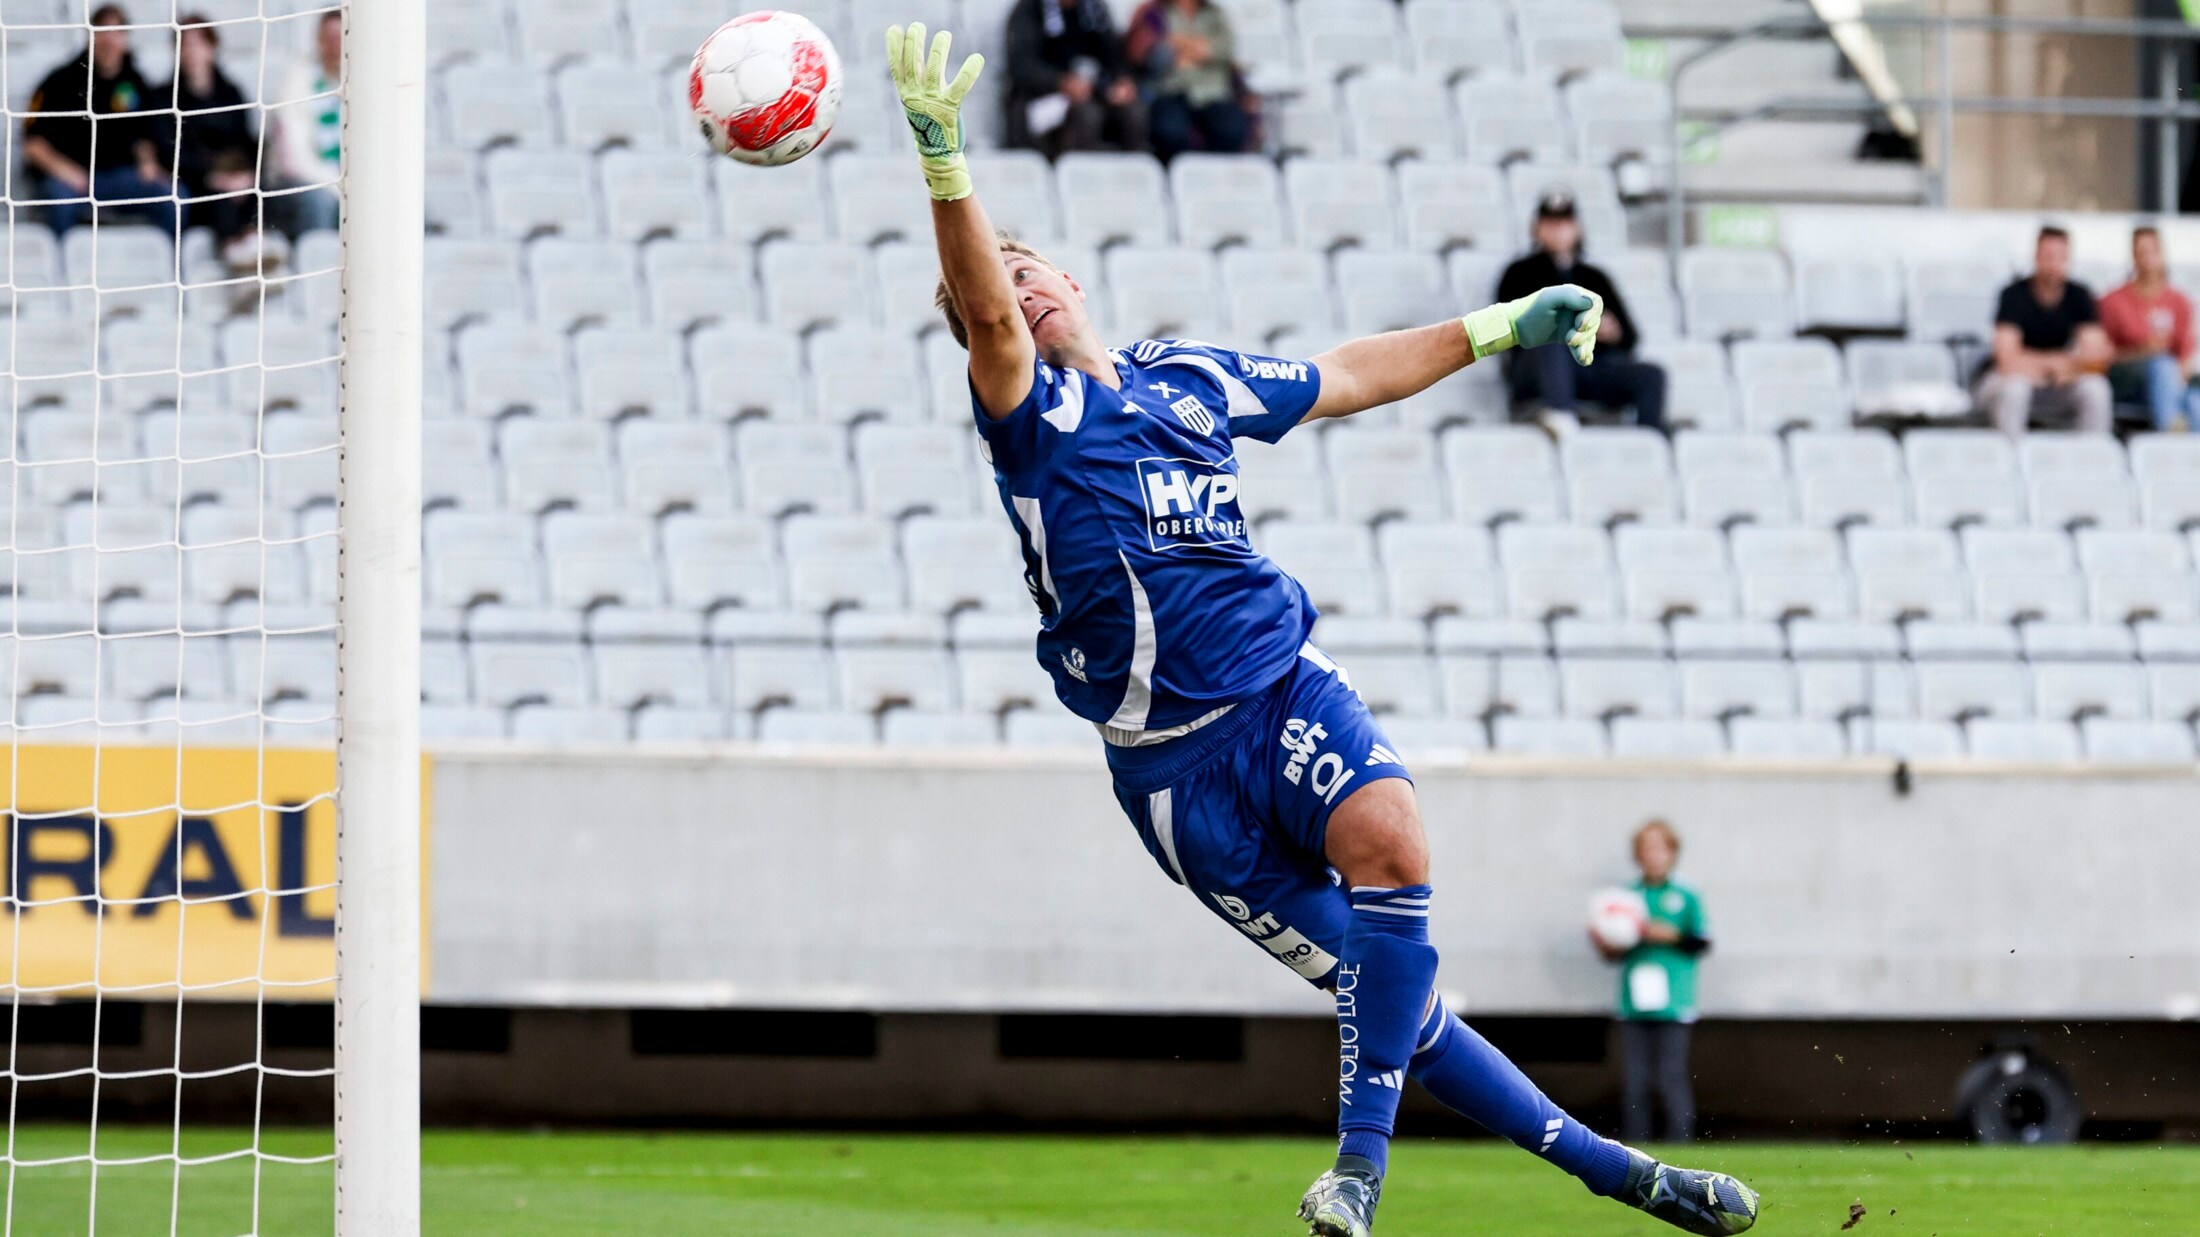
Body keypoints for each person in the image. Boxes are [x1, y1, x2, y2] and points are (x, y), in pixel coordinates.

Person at [884, 22, 1758, 1237]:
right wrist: (947, 169)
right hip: (1177, 773)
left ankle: (1356, 1172)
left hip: (1281, 684)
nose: (1015, 291)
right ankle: (1621, 1173)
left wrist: (1503, 323)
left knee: (1393, 846)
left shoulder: (1185, 379)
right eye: (994, 287)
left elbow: (1346, 376)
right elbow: (984, 319)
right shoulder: (1030, 416)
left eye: (1030, 268)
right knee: (1397, 1003)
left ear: (1073, 281)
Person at [1496, 192, 1666, 435]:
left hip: (1588, 368)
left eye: (1564, 223)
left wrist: (1614, 332)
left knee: (1651, 376)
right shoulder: (1519, 274)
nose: (1558, 230)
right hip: (1538, 370)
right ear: (1537, 228)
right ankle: (1561, 417)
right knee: (1553, 343)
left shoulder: (1595, 277)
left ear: (1577, 228)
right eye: (1551, 223)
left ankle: (1649, 443)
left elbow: (1630, 337)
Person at [1592, 820, 1711, 1145]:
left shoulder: (1686, 895)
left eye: (1659, 847)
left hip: (1674, 999)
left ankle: (1681, 1142)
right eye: (1645, 848)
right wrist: (1607, 941)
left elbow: (1701, 941)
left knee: (1671, 1074)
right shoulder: (1626, 898)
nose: (1652, 854)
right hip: (1635, 1001)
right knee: (1635, 1078)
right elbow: (1614, 953)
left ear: (1672, 852)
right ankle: (1636, 1144)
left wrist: (1668, 935)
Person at [20, 4, 177, 237]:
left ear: (126, 38)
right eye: (102, 31)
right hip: (71, 180)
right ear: (89, 35)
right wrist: (65, 171)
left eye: (116, 32)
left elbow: (145, 135)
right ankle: (64, 260)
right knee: (60, 199)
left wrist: (147, 162)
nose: (109, 40)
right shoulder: (59, 82)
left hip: (119, 178)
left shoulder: (137, 83)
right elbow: (32, 144)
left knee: (173, 196)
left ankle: (169, 259)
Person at [1976, 226, 2112, 437]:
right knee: (2015, 389)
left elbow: (2095, 358)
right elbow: (2007, 360)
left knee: (2096, 389)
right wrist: (2060, 364)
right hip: (2009, 381)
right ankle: (2012, 453)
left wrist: (2051, 368)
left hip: (2058, 384)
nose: (2053, 264)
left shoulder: (2079, 295)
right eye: (2048, 256)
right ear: (2036, 256)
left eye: (2060, 257)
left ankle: (2093, 452)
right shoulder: (2013, 295)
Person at [170, 15, 277, 268]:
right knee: (219, 198)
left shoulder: (231, 93)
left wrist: (245, 177)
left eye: (198, 43)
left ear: (212, 47)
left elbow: (246, 142)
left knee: (259, 190)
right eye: (185, 44)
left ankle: (255, 245)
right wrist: (211, 177)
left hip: (237, 180)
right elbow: (171, 152)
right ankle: (236, 255)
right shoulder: (166, 98)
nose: (192, 51)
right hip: (196, 185)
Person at [1003, 0, 1146, 156]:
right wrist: (1060, 82)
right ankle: (1075, 168)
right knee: (1087, 115)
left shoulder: (1093, 9)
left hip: (1092, 93)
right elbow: (1022, 66)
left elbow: (1113, 56)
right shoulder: (1030, 10)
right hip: (1041, 99)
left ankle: (1133, 169)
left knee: (1133, 113)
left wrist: (1122, 81)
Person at [2099, 225, 2199, 432]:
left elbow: (2185, 356)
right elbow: (2103, 358)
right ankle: (2170, 434)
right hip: (2126, 381)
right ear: (2133, 255)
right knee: (2161, 365)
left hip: (2169, 383)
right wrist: (2143, 351)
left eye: (2152, 251)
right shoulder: (2113, 301)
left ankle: (2181, 442)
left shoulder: (2179, 302)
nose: (2147, 259)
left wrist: (2173, 381)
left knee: (2193, 399)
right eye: (2142, 252)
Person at [1125, 0, 1252, 161]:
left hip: (1212, 92)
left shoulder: (1216, 13)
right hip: (1169, 90)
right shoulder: (1155, 12)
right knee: (1169, 132)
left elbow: (1226, 49)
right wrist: (1200, 49)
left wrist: (1180, 44)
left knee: (1231, 129)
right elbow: (1147, 54)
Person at [269, 9, 341, 237]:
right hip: (298, 181)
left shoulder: (357, 81)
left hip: (341, 181)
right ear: (318, 40)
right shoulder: (297, 81)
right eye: (330, 38)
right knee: (318, 201)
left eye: (342, 38)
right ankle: (318, 257)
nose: (337, 45)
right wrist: (338, 184)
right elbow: (294, 160)